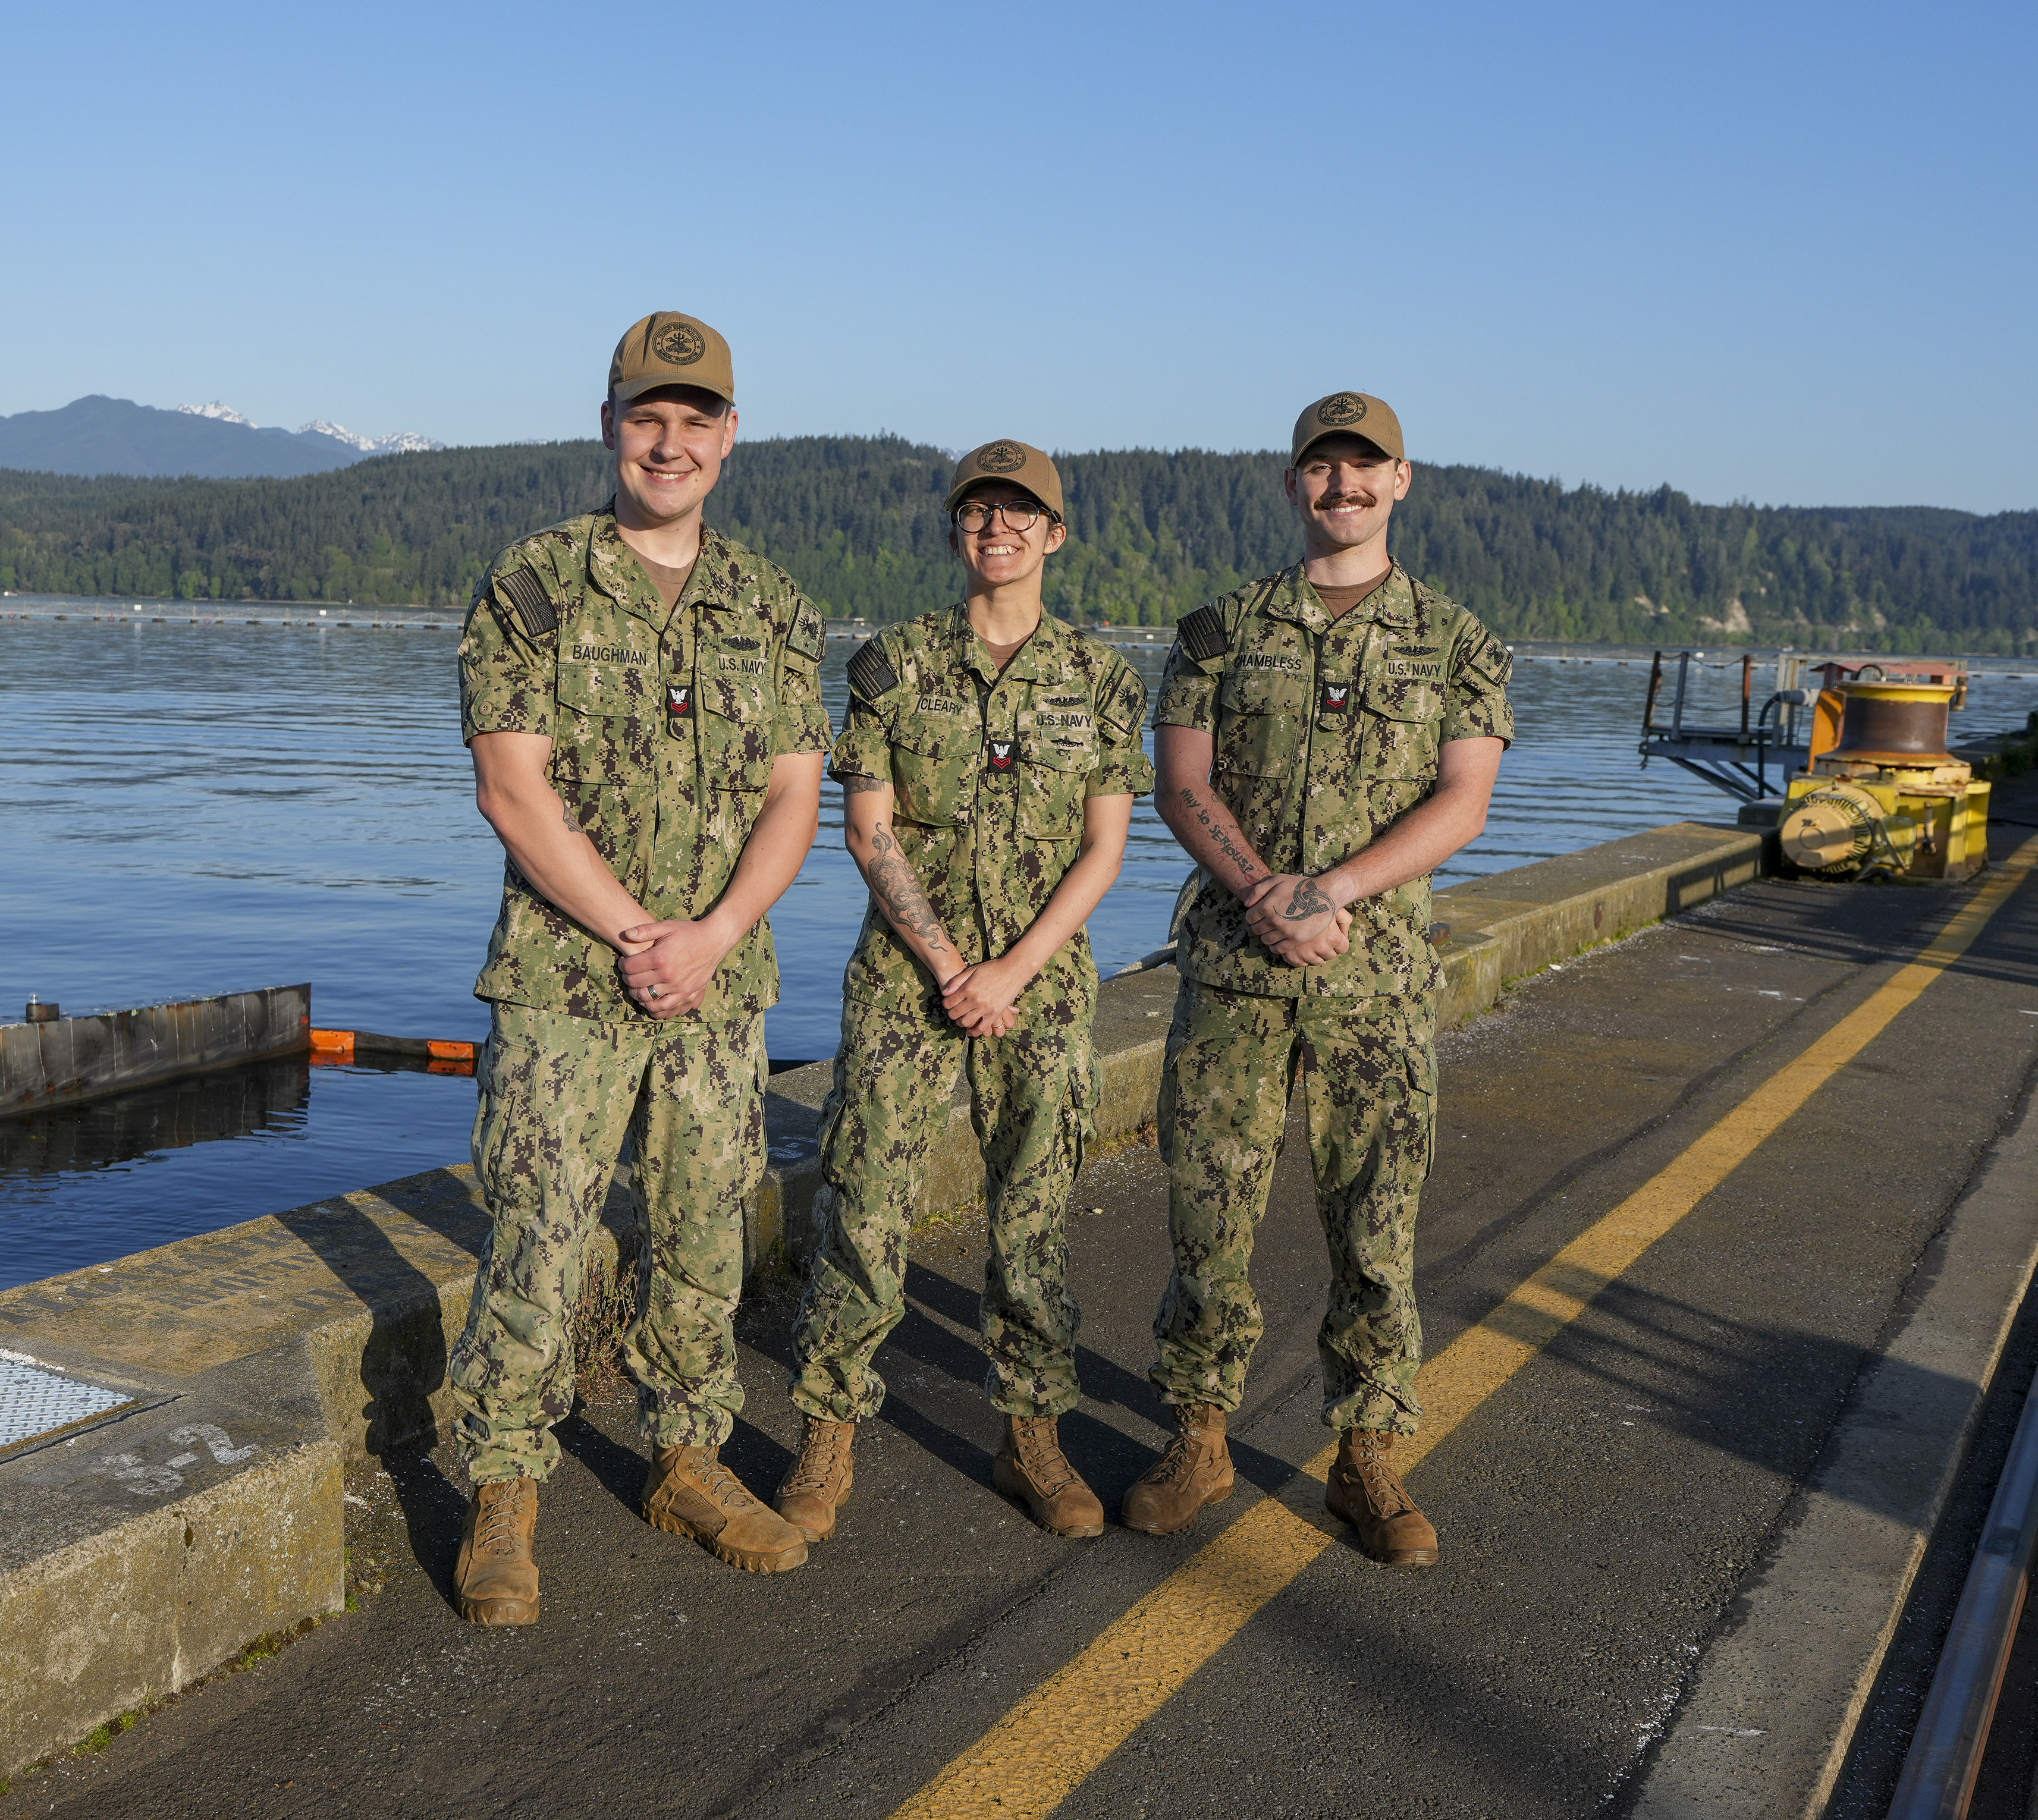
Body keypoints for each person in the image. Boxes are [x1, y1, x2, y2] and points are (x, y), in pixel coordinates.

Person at [444, 311, 833, 1626]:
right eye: (647, 417)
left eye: (695, 421)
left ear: (731, 436)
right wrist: (635, 933)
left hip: (719, 984)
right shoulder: (533, 584)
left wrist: (710, 937)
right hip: (565, 982)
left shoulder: (773, 606)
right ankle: (504, 1487)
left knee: (705, 1228)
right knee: (539, 1231)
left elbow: (794, 794)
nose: (670, 444)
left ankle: (686, 1458)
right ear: (609, 424)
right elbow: (514, 791)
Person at [1125, 391, 1511, 1568]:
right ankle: (1199, 1435)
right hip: (1234, 973)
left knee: (1376, 1224)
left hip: (1374, 981)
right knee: (1208, 1214)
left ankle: (1367, 1452)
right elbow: (1182, 783)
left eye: (1363, 465)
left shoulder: (1457, 640)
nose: (1342, 484)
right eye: (1321, 466)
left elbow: (1463, 801)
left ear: (1402, 479)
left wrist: (1329, 892)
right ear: (1292, 482)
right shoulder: (1220, 629)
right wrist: (1264, 893)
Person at [777, 439, 1150, 1544]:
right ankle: (828, 1427)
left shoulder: (1103, 679)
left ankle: (1031, 1431)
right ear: (955, 532)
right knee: (863, 1198)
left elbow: (1106, 848)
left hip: (1041, 985)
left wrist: (1011, 971)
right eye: (979, 511)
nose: (998, 528)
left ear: (1055, 534)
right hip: (907, 979)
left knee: (1034, 1210)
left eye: (1020, 512)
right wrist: (951, 968)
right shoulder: (891, 665)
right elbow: (869, 829)